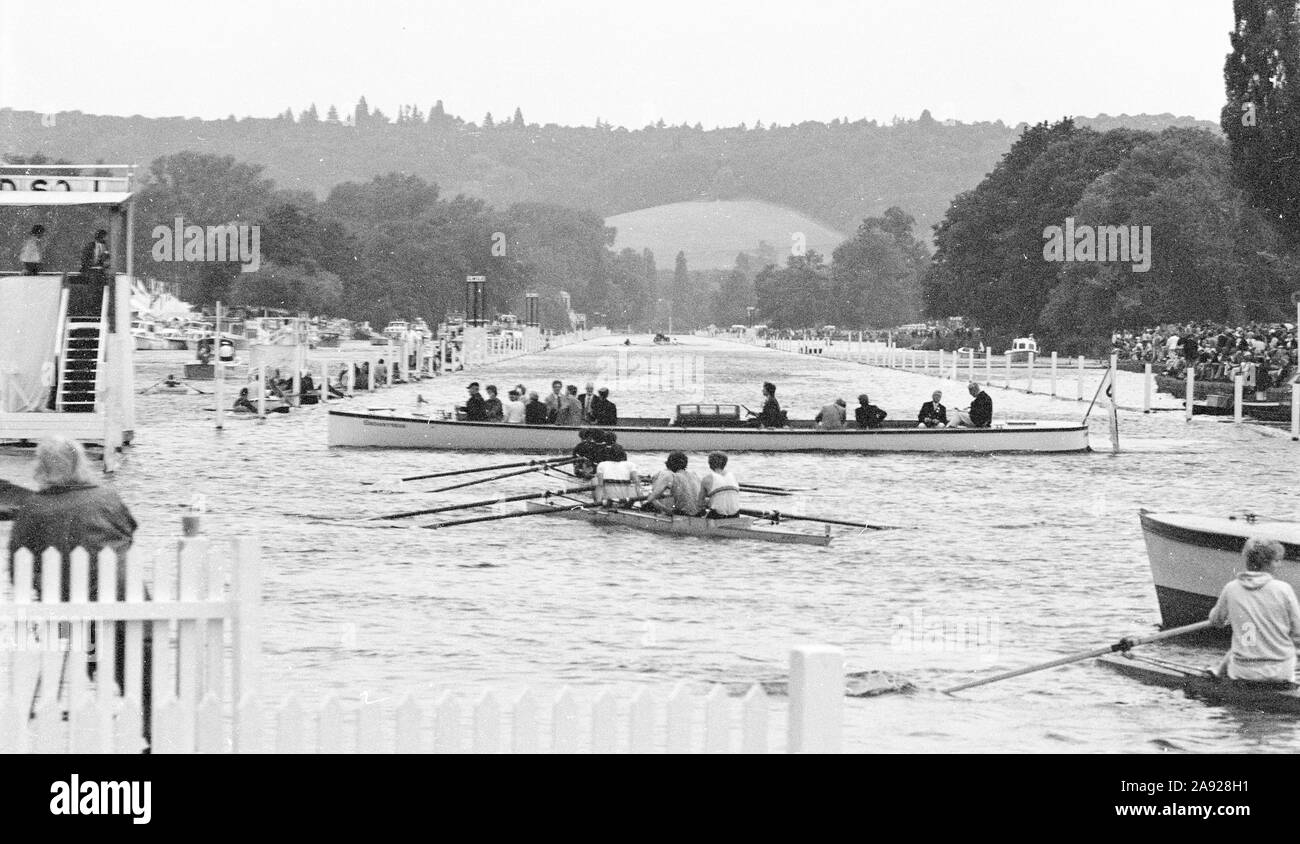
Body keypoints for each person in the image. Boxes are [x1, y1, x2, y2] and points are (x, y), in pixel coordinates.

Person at [7, 437, 148, 738]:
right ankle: (151, 732)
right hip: (126, 603)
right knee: (138, 671)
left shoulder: (33, 508)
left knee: (57, 655)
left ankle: (32, 732)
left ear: (41, 467)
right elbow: (129, 533)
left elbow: (18, 567)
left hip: (66, 613)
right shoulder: (108, 497)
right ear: (80, 464)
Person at [1206, 537, 1300, 683]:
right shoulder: (1284, 589)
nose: (1280, 565)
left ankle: (1218, 672)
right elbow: (1298, 633)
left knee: (1243, 644)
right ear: (1269, 563)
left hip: (1243, 672)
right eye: (1277, 561)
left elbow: (1216, 621)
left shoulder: (1231, 588)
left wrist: (1232, 614)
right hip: (1281, 673)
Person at [639, 451, 703, 516]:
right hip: (699, 514)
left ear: (669, 465)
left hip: (683, 515)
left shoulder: (671, 476)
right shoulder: (695, 475)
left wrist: (667, 510)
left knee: (650, 503)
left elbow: (650, 499)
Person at [699, 452, 741, 519]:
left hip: (717, 515)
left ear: (710, 464)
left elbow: (700, 503)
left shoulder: (706, 479)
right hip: (735, 514)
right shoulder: (733, 476)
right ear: (725, 463)